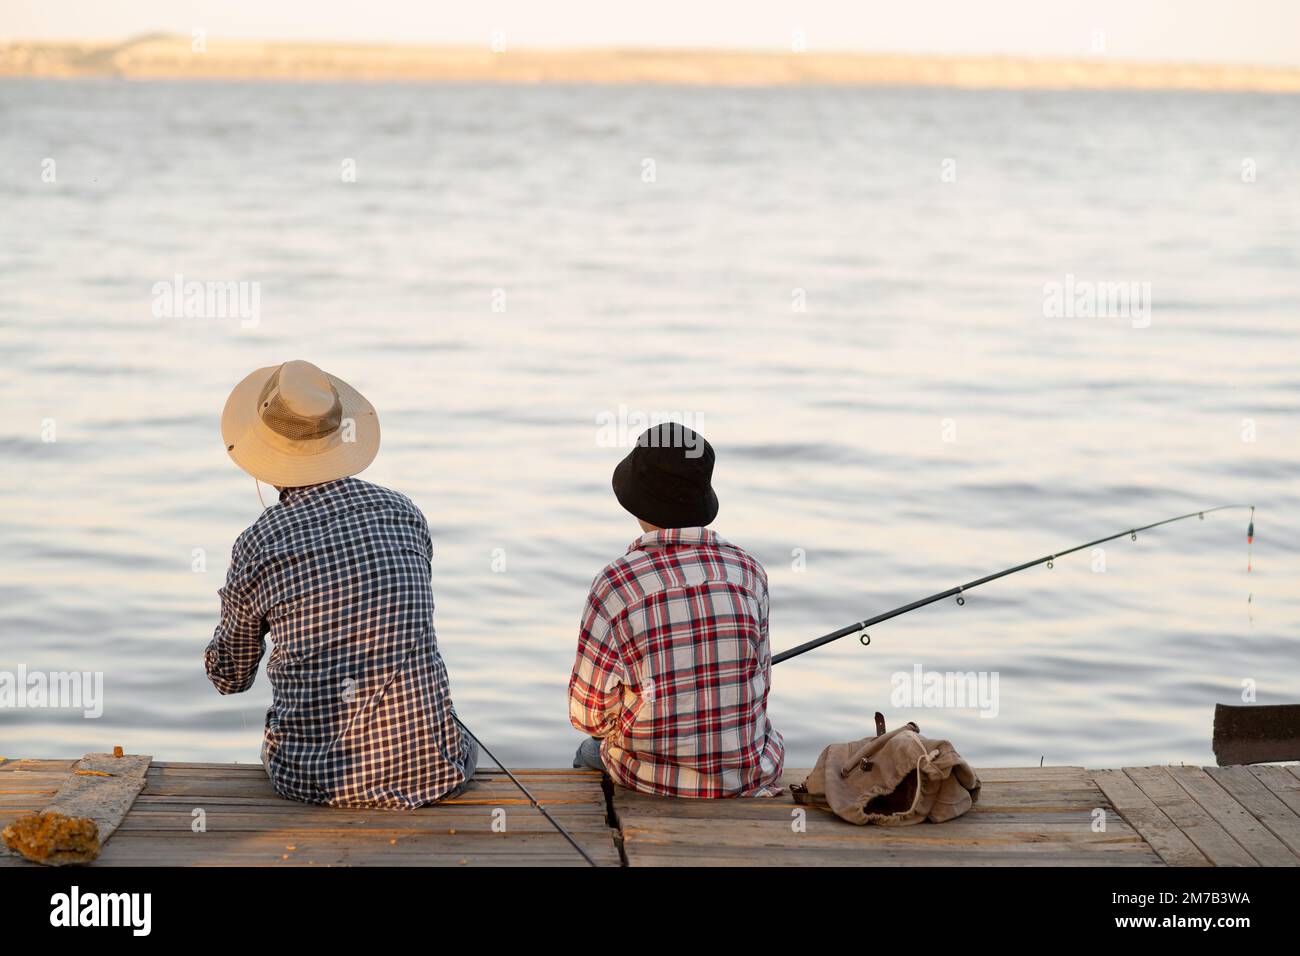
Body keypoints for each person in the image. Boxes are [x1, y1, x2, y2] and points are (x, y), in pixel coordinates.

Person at [203, 359, 475, 808]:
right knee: (456, 731)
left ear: (265, 450)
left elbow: (230, 677)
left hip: (313, 780)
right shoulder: (401, 512)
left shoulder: (259, 542)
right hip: (433, 770)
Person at [568, 423, 785, 797]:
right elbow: (760, 686)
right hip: (746, 776)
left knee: (588, 751)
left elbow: (587, 715)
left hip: (652, 781)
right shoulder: (749, 572)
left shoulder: (616, 585)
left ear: (636, 500)